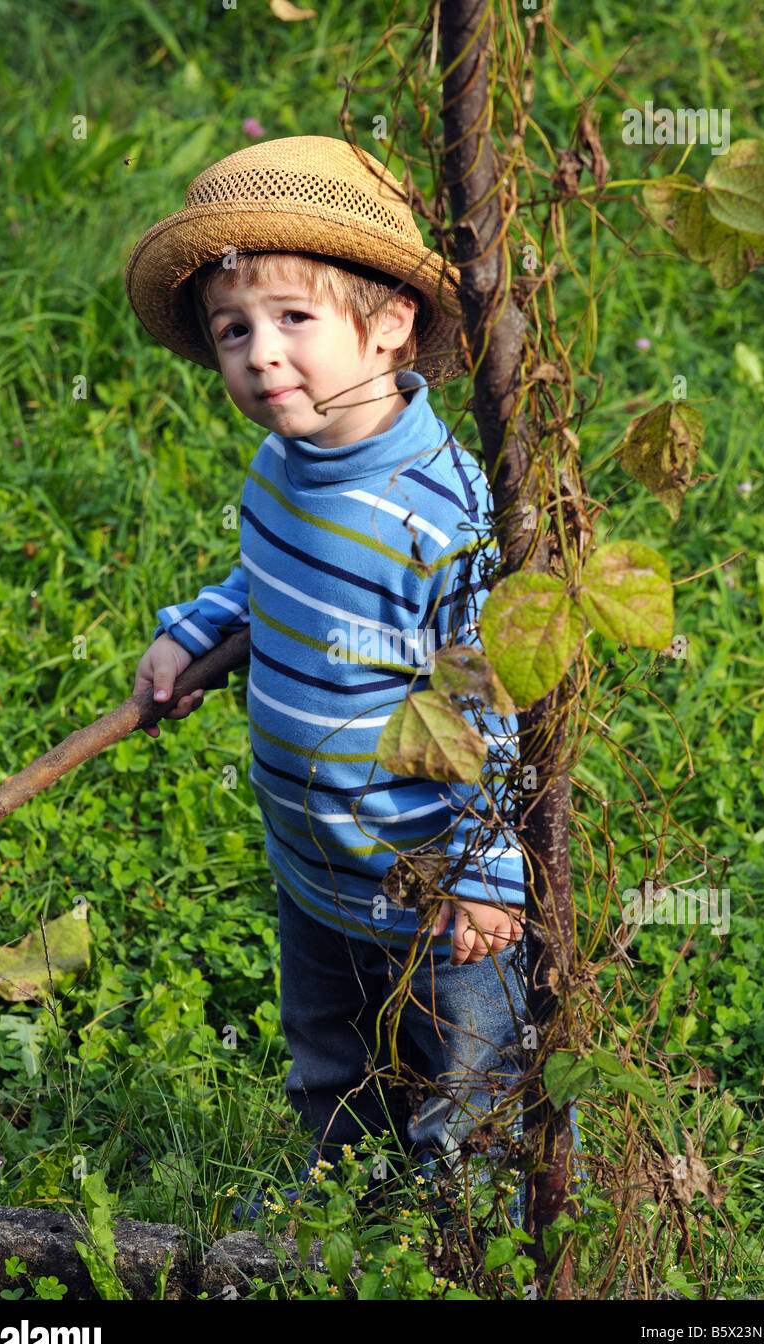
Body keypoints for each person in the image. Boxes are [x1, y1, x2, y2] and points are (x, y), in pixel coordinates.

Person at [125, 136, 540, 1221]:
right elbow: (263, 575)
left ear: (388, 322)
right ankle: (338, 1216)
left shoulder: (440, 513)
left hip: (433, 891)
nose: (260, 355)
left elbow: (485, 697)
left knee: (468, 1084)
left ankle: (473, 1250)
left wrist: (484, 871)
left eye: (292, 320)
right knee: (331, 1063)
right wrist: (190, 635)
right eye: (233, 330)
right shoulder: (283, 466)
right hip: (314, 869)